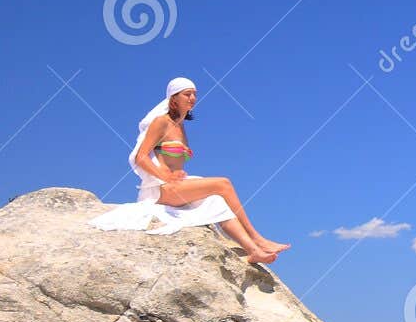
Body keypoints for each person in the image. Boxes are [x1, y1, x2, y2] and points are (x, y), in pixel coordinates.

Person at [92, 76, 290, 264]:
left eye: (194, 94)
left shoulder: (180, 126)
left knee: (216, 201)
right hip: (161, 189)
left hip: (176, 187)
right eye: (187, 94)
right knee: (223, 183)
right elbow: (140, 157)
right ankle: (258, 239)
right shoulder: (161, 122)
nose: (193, 98)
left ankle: (253, 251)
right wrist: (166, 176)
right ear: (173, 98)